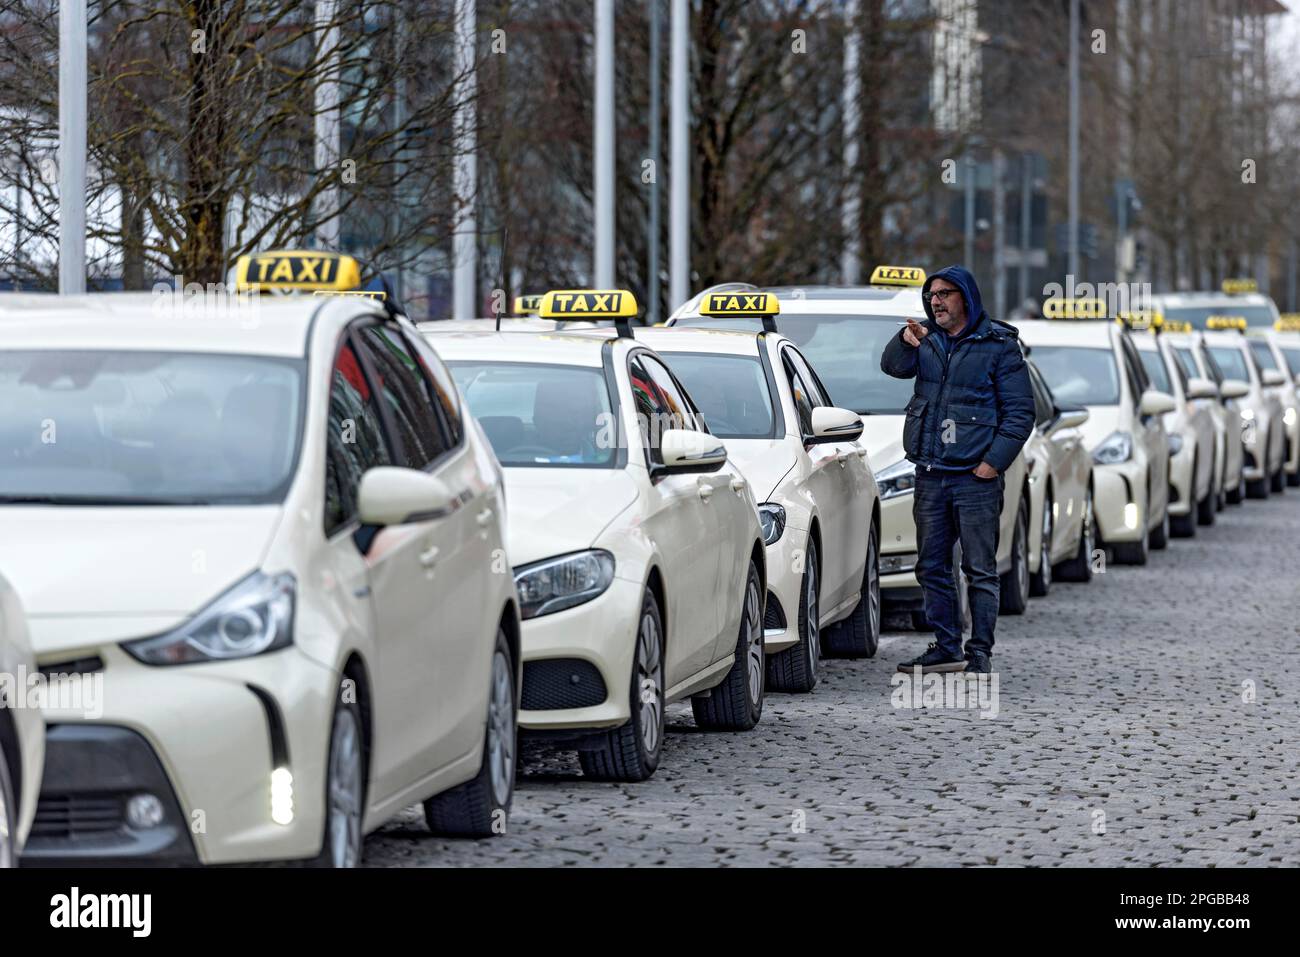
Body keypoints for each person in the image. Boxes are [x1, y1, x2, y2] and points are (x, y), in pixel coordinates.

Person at [880, 266, 1034, 675]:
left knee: (979, 568)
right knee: (931, 565)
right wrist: (903, 342)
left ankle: (979, 650)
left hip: (974, 478)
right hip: (931, 472)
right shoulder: (925, 340)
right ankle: (945, 645)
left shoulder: (999, 345)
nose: (936, 300)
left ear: (966, 296)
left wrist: (990, 465)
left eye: (945, 293)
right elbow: (893, 368)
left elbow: (1020, 414)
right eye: (931, 293)